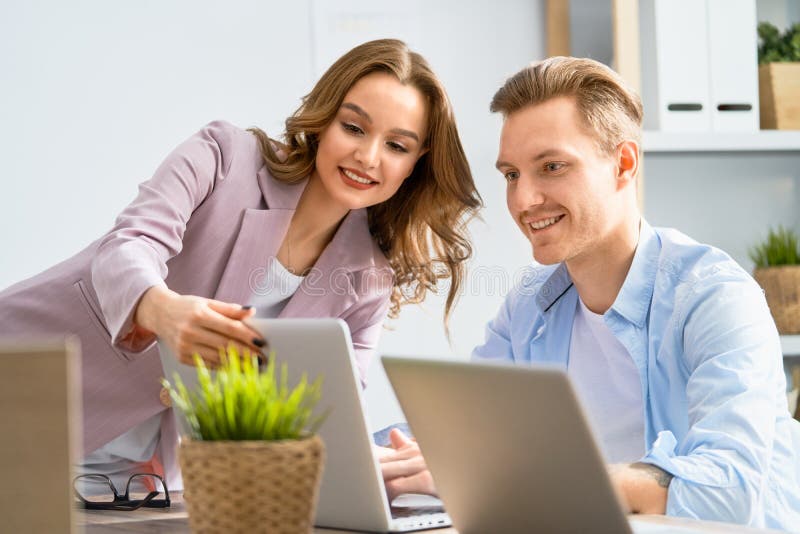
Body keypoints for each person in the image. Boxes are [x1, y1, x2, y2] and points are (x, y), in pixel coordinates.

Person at [0, 38, 481, 492]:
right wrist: (162, 309)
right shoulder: (224, 156)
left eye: (396, 145)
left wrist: (363, 459)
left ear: (416, 161)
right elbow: (128, 246)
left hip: (131, 484)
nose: (367, 156)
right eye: (353, 127)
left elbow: (323, 413)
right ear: (322, 120)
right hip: (22, 405)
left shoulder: (369, 281)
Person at [379, 56, 800, 531]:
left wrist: (531, 478)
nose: (522, 200)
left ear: (623, 164)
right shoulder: (531, 304)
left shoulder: (714, 298)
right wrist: (369, 455)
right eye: (512, 174)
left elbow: (727, 492)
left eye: (552, 166)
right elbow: (456, 433)